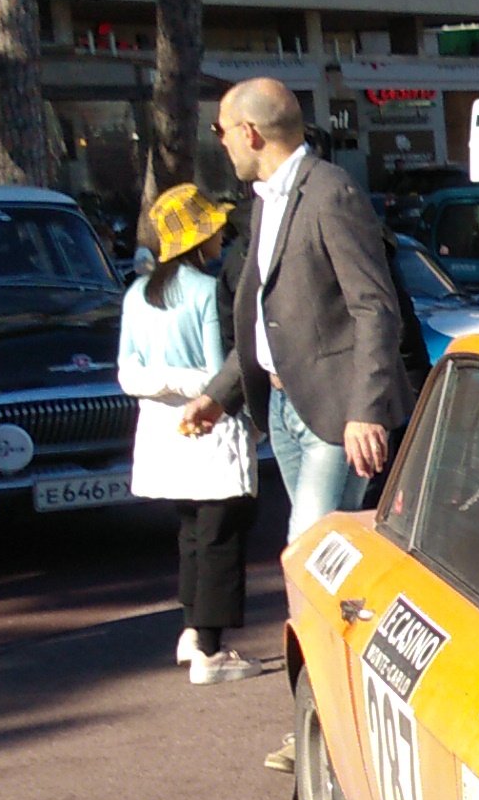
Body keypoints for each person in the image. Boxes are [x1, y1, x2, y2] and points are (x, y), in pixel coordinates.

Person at [182, 77, 415, 541]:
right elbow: (268, 320)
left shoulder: (330, 193)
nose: (222, 142)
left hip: (337, 410)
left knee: (307, 545)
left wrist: (366, 411)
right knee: (329, 549)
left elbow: (376, 308)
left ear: (249, 133)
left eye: (221, 130)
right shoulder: (267, 202)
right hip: (282, 407)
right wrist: (218, 395)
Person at [117, 185, 266, 684]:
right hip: (209, 428)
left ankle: (190, 631)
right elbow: (212, 373)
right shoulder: (205, 291)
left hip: (159, 432)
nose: (221, 236)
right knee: (221, 533)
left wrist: (159, 381)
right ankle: (211, 648)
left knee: (190, 534)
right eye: (215, 229)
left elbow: (126, 372)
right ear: (199, 239)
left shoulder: (136, 294)